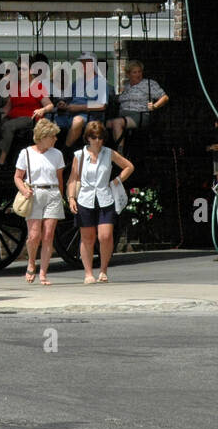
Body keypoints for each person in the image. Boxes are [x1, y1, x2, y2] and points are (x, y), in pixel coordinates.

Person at [67, 121, 134, 284]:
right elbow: (73, 178)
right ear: (87, 138)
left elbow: (129, 166)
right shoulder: (79, 155)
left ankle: (103, 270)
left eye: (100, 137)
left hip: (105, 197)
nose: (97, 140)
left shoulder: (109, 153)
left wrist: (117, 180)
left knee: (105, 236)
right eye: (93, 137)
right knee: (87, 237)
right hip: (85, 198)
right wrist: (71, 198)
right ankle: (88, 273)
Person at [13, 118, 65, 286]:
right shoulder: (26, 153)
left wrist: (61, 197)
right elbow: (18, 177)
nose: (55, 139)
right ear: (42, 136)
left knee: (49, 235)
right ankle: (31, 263)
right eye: (53, 136)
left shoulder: (57, 154)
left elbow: (60, 179)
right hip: (34, 193)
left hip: (53, 193)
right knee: (34, 235)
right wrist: (23, 190)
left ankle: (43, 273)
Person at [0, 55, 54, 165]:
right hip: (13, 116)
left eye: (23, 69)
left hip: (29, 117)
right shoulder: (15, 86)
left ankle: (1, 159)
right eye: (18, 69)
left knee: (8, 126)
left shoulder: (36, 86)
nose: (19, 72)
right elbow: (8, 107)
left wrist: (42, 110)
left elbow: (49, 105)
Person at [54, 52, 108, 149]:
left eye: (85, 63)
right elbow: (67, 97)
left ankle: (65, 152)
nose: (82, 66)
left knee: (77, 120)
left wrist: (78, 108)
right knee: (48, 121)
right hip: (69, 114)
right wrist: (62, 103)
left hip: (90, 117)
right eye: (81, 63)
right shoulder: (78, 81)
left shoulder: (101, 82)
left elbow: (102, 105)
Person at [109, 59, 170, 144]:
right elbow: (119, 98)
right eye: (134, 72)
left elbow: (165, 97)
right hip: (122, 115)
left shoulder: (148, 83)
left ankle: (120, 153)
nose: (138, 74)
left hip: (139, 115)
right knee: (103, 124)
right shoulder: (126, 85)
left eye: (139, 72)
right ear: (128, 74)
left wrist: (154, 106)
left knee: (116, 123)